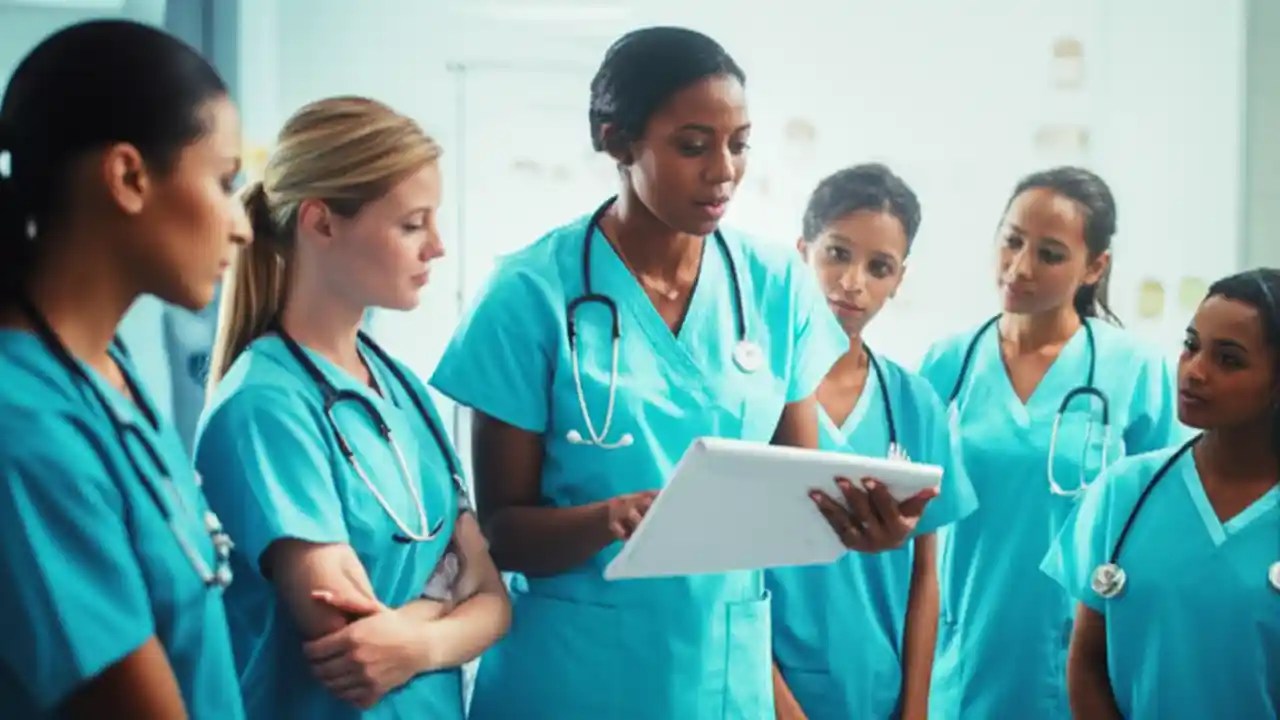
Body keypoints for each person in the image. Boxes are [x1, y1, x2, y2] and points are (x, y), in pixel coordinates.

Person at [430, 27, 936, 720]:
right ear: (617, 141)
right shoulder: (529, 294)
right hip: (572, 678)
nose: (723, 169)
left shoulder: (773, 285)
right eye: (693, 145)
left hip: (721, 678)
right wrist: (606, 519)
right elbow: (504, 530)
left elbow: (799, 483)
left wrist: (859, 525)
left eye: (739, 143)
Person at [194, 96, 510, 720]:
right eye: (412, 224)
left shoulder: (403, 390)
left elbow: (496, 599)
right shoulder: (266, 405)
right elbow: (350, 643)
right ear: (322, 223)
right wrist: (449, 598)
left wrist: (415, 640)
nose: (437, 247)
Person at [0, 19, 249, 719]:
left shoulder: (113, 375)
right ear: (128, 177)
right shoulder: (23, 428)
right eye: (226, 182)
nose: (242, 224)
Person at [918, 166, 1184, 719]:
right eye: (1012, 241)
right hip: (965, 650)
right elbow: (912, 519)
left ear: (1095, 267)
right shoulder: (949, 363)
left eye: (1051, 254)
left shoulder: (1132, 369)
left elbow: (1165, 522)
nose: (1020, 267)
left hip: (1080, 652)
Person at [766, 164, 978, 720]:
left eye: (878, 267)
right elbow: (721, 571)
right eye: (837, 253)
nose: (853, 282)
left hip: (875, 690)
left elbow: (927, 576)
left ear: (898, 280)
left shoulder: (914, 404)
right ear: (802, 251)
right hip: (761, 690)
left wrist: (913, 709)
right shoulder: (753, 391)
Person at [1043, 268, 1280, 719]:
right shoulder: (1125, 492)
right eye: (1191, 346)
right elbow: (1088, 663)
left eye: (1228, 360)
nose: (1195, 371)